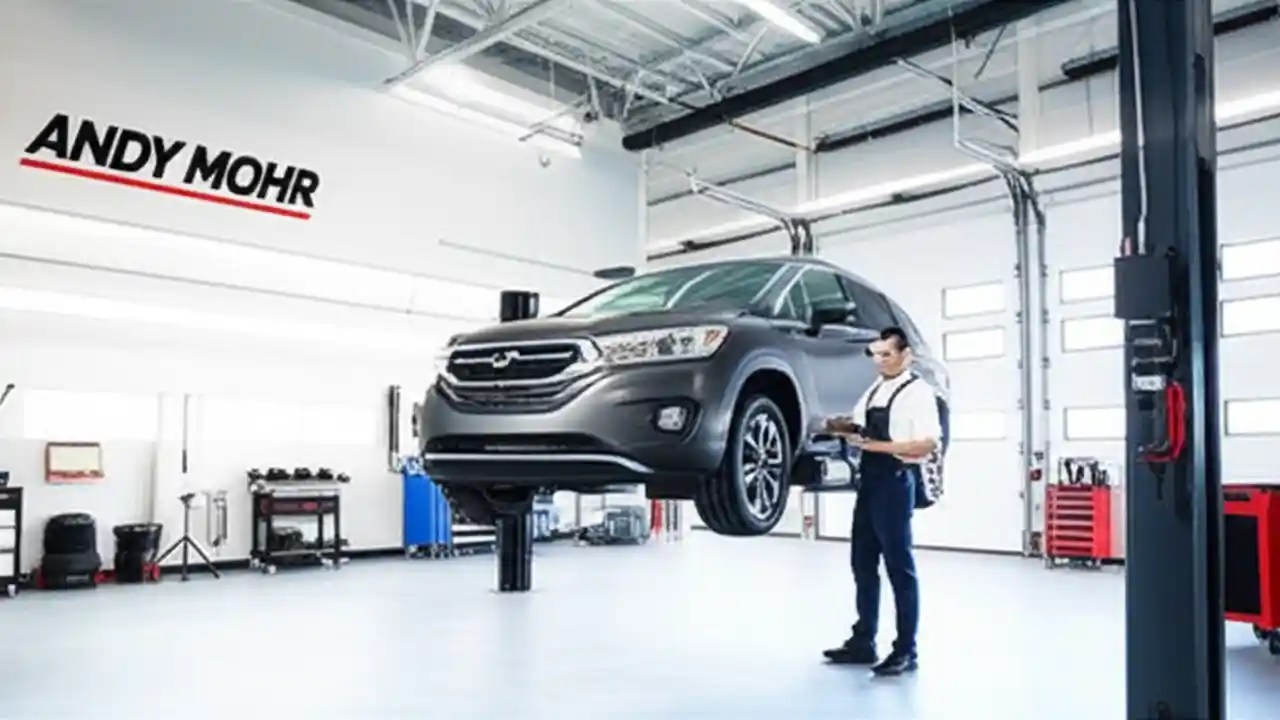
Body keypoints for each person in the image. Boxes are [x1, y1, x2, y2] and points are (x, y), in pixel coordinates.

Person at [823, 326, 942, 676]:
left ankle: (906, 650)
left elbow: (926, 444)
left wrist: (877, 446)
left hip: (895, 481)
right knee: (862, 563)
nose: (880, 361)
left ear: (906, 355)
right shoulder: (876, 388)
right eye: (876, 355)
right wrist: (833, 426)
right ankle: (863, 642)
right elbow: (861, 425)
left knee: (899, 568)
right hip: (869, 483)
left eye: (887, 355)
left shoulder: (918, 392)